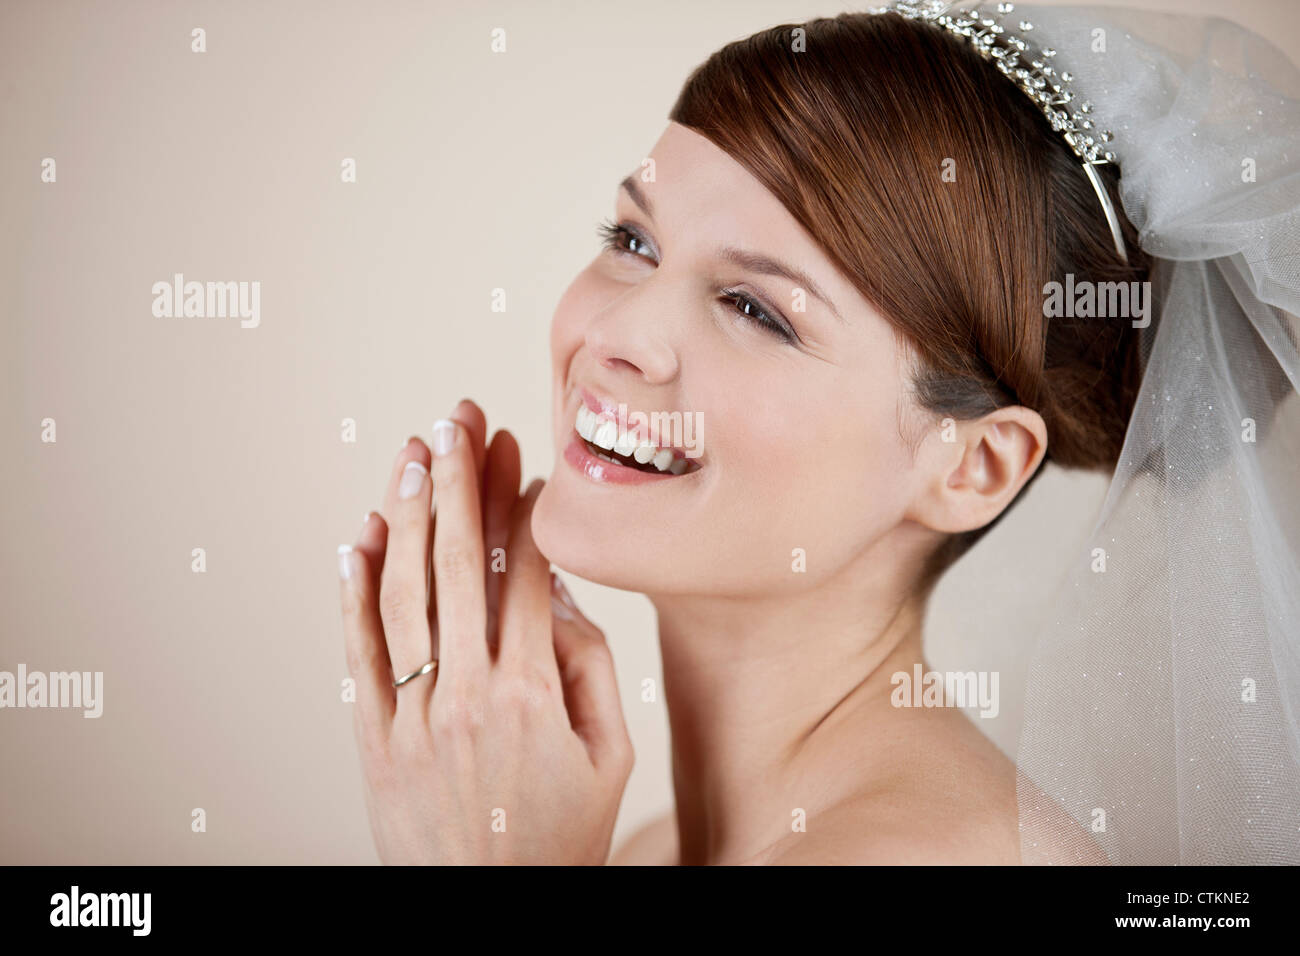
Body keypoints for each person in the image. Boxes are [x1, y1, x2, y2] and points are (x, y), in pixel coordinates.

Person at [336, 2, 1300, 865]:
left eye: (757, 309)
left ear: (973, 465)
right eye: (634, 242)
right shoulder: (640, 850)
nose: (618, 337)